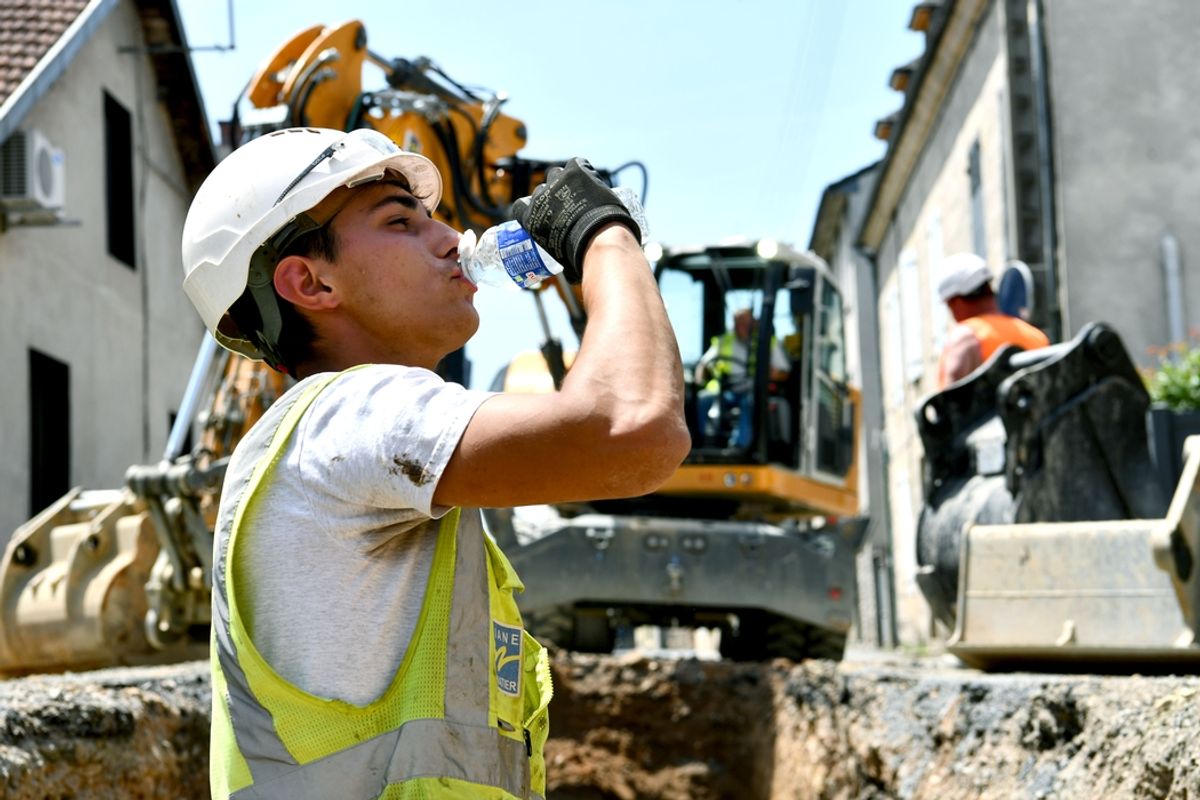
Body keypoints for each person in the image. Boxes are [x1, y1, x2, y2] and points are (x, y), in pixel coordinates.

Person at [180, 127, 690, 799]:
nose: (451, 238)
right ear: (309, 280)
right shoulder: (352, 412)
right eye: (399, 221)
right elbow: (632, 427)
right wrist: (605, 234)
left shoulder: (329, 440)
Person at [935, 252, 1050, 389]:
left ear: (956, 302)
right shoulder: (1037, 337)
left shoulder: (965, 337)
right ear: (989, 288)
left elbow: (950, 400)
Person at [693, 307, 789, 448]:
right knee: (703, 399)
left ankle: (739, 445)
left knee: (750, 402)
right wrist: (700, 377)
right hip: (727, 391)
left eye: (746, 323)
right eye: (738, 323)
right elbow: (703, 364)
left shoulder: (769, 342)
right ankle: (706, 441)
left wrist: (771, 373)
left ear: (754, 324)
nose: (742, 327)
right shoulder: (723, 341)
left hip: (753, 391)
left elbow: (784, 372)